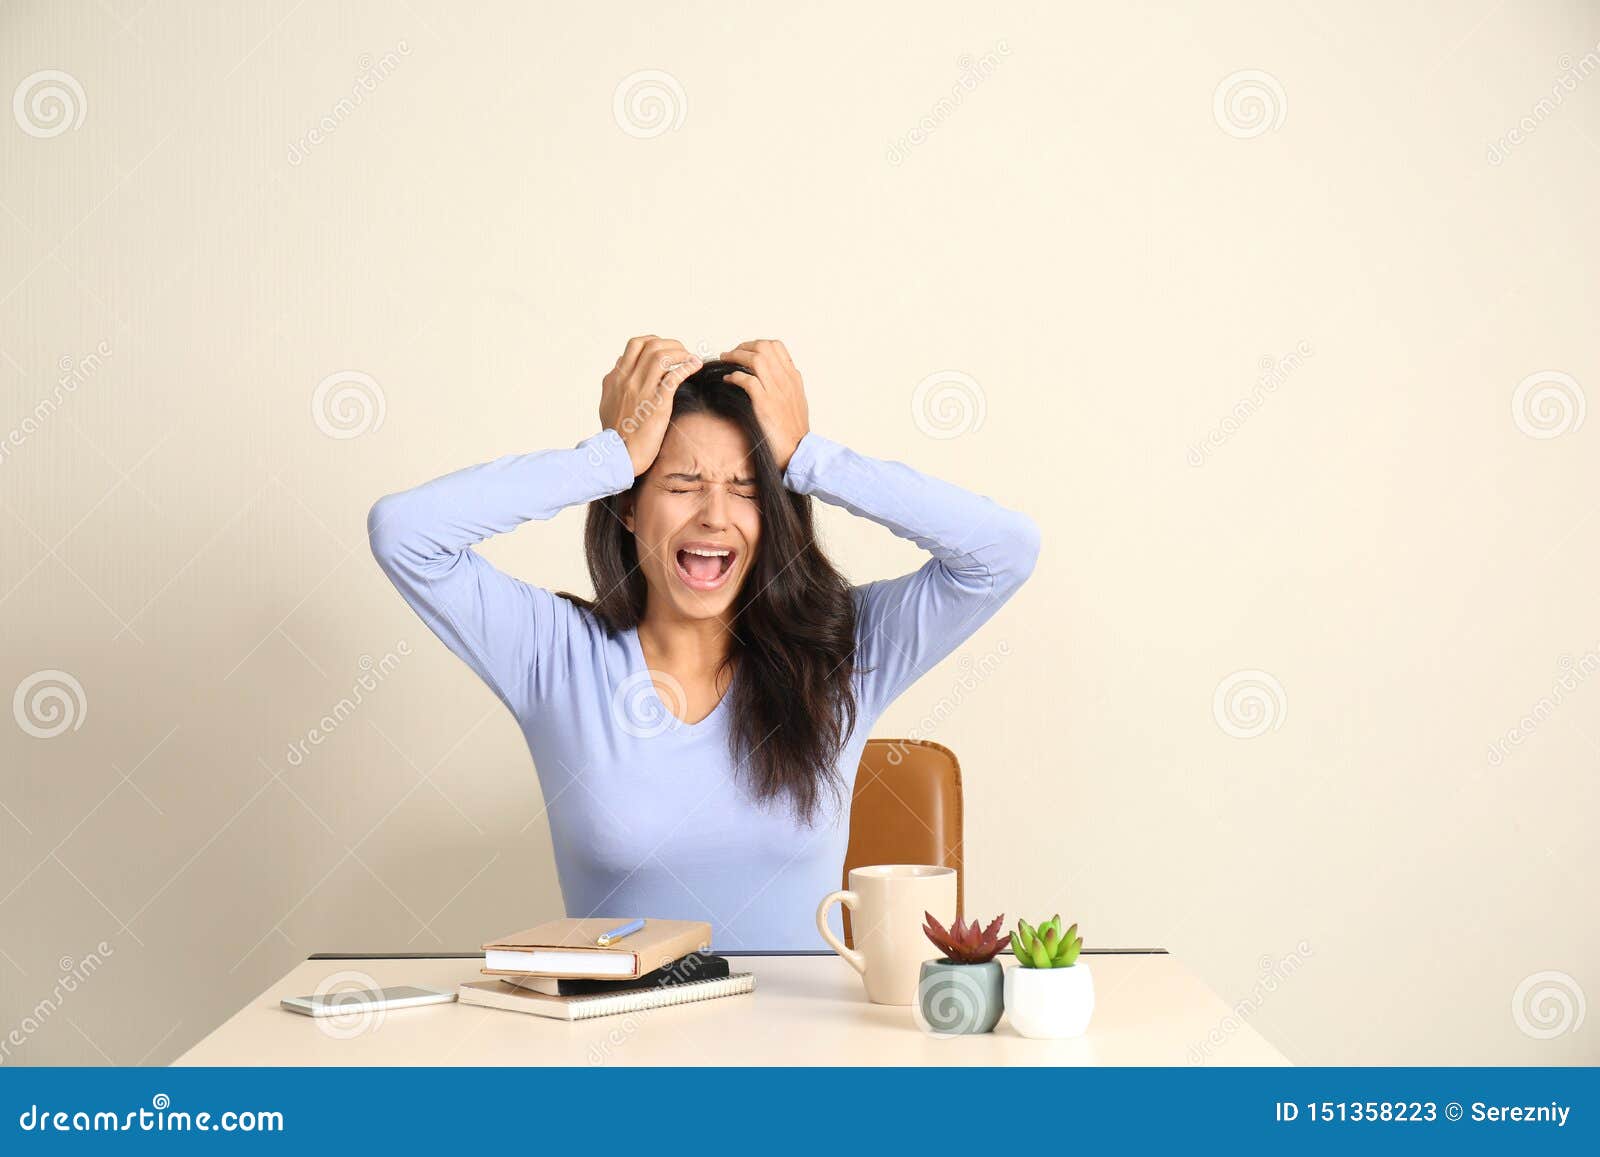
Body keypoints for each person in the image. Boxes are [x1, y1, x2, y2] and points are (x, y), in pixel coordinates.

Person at [367, 337, 1040, 948]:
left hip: (805, 1063)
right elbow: (404, 533)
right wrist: (610, 456)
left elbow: (1004, 550)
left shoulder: (843, 652)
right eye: (682, 484)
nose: (714, 514)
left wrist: (810, 458)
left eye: (746, 489)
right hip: (624, 1061)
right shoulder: (555, 656)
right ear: (628, 506)